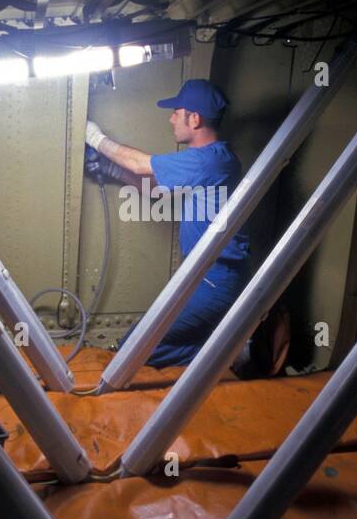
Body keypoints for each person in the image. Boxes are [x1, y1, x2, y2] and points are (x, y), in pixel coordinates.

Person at [85, 79, 250, 367]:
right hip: (208, 278)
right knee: (144, 348)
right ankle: (235, 352)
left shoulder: (208, 160)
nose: (171, 117)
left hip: (214, 280)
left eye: (177, 111)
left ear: (195, 119)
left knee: (134, 349)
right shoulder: (213, 160)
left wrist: (94, 137)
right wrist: (109, 168)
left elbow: (139, 164)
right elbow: (156, 190)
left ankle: (239, 352)